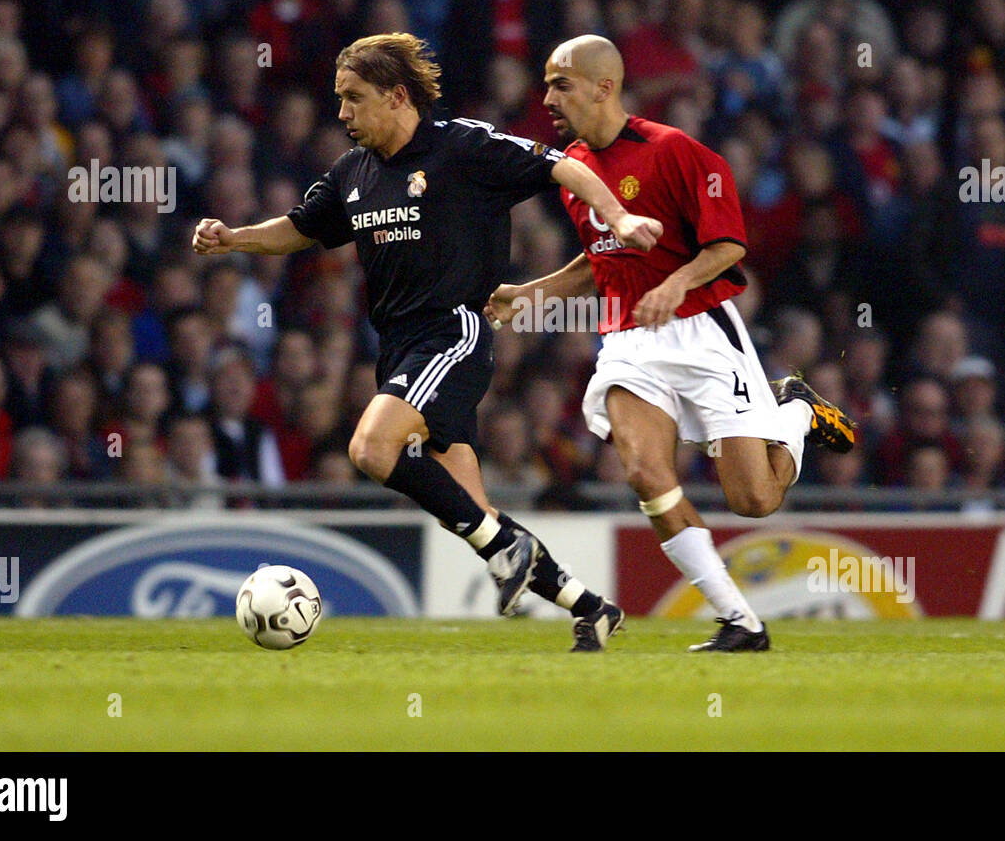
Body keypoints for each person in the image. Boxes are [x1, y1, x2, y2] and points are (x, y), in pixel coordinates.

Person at [193, 33, 661, 651]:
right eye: (338, 99)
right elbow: (301, 230)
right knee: (475, 516)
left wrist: (621, 219)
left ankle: (509, 551)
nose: (342, 114)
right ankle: (590, 606)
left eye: (353, 98)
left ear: (396, 96)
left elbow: (565, 166)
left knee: (370, 448)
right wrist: (234, 237)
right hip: (399, 349)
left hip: (454, 333)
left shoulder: (462, 146)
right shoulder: (352, 174)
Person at [485, 35, 856, 652]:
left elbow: (730, 245)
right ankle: (741, 622)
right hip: (627, 341)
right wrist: (532, 294)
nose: (546, 96)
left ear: (605, 87)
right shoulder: (572, 170)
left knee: (754, 499)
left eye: (560, 83)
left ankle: (794, 412)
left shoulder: (676, 151)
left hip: (704, 331)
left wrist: (675, 283)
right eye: (547, 84)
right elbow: (596, 258)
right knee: (644, 471)